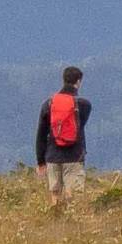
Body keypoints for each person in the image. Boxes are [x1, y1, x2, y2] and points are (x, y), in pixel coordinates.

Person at [35, 65, 92, 210]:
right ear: (78, 82)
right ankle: (72, 224)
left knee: (55, 194)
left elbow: (41, 134)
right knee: (73, 196)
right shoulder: (84, 105)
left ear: (63, 80)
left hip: (52, 156)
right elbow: (81, 126)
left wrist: (41, 161)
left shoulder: (48, 104)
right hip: (74, 156)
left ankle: (55, 221)